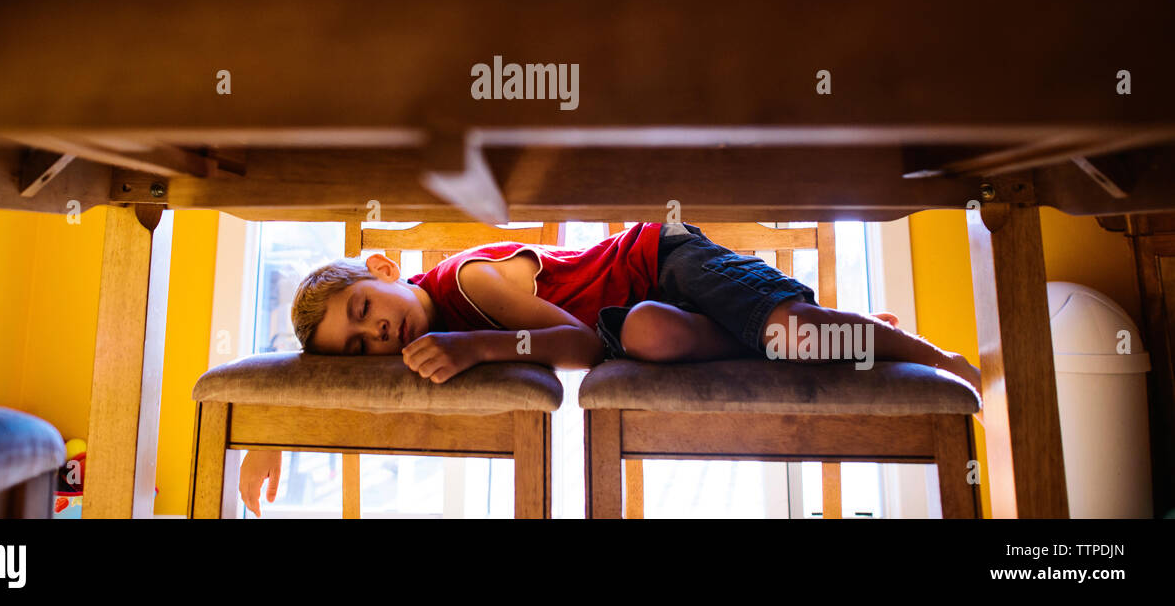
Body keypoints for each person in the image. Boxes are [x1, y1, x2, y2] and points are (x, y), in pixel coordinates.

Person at [238, 221, 981, 515]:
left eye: (366, 308)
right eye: (360, 342)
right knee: (653, 335)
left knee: (790, 333)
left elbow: (580, 348)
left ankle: (923, 351)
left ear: (384, 268)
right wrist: (271, 430)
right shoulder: (406, 337)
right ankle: (807, 332)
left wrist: (481, 347)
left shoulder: (465, 283)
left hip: (663, 259)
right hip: (640, 316)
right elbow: (338, 377)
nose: (378, 333)